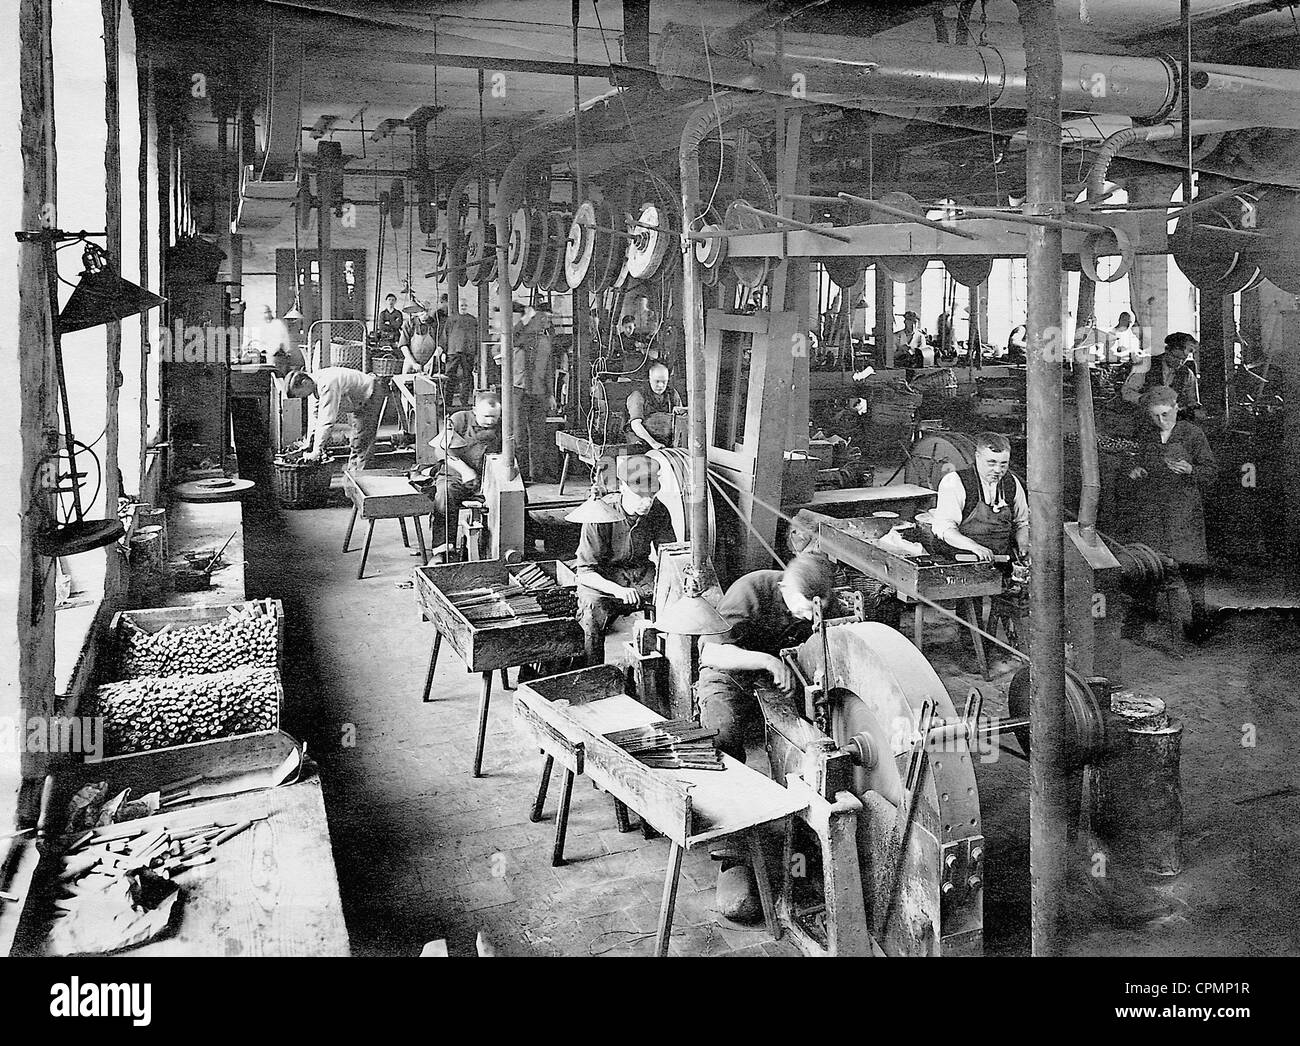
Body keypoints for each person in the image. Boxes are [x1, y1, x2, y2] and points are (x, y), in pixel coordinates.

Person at [695, 552, 838, 921]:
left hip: (776, 679)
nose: (808, 617)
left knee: (807, 741)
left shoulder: (814, 603)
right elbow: (711, 652)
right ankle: (731, 853)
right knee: (722, 739)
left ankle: (802, 854)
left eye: (815, 610)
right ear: (786, 586)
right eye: (805, 608)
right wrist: (767, 661)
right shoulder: (752, 590)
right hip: (728, 674)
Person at [1125, 385, 1218, 640]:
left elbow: (1211, 473)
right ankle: (1139, 620)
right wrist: (1136, 471)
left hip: (1184, 512)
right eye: (1154, 415)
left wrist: (1191, 470)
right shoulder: (1147, 434)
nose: (1161, 420)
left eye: (1165, 413)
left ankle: (1200, 623)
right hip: (1154, 509)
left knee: (1191, 568)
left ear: (1177, 407)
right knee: (1148, 564)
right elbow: (1138, 462)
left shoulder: (1193, 434)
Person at [573, 455, 675, 665]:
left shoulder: (658, 510)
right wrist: (617, 590)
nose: (647, 503)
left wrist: (672, 585)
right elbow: (584, 572)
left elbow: (668, 554)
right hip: (603, 578)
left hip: (641, 574)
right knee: (592, 609)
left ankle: (660, 670)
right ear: (622, 487)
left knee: (673, 601)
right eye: (640, 496)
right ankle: (595, 672)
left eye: (652, 495)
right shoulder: (600, 512)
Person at [929, 432, 1030, 563]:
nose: (998, 470)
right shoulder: (955, 482)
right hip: (962, 557)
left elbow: (1022, 523)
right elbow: (944, 528)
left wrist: (1023, 545)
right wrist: (974, 546)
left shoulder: (1012, 483)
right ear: (977, 457)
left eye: (1003, 464)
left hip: (1001, 558)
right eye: (991, 463)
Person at [422, 391, 503, 540]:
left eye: (494, 417)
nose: (491, 421)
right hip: (455, 477)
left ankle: (521, 543)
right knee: (444, 494)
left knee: (513, 496)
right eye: (486, 416)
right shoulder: (459, 419)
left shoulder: (504, 426)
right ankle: (442, 549)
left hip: (486, 480)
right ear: (475, 410)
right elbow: (440, 450)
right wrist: (464, 470)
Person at [285, 366, 383, 472]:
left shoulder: (327, 383)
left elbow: (326, 420)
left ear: (304, 383)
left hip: (370, 393)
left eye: (299, 394)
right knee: (356, 440)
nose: (302, 397)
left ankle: (362, 476)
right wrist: (309, 443)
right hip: (356, 398)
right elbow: (315, 417)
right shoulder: (314, 383)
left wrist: (317, 451)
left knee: (361, 442)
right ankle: (354, 471)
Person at [512, 302, 553, 482]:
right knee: (520, 437)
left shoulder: (546, 341)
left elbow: (549, 369)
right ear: (535, 318)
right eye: (543, 318)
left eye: (549, 319)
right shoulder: (521, 338)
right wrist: (524, 319)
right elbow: (510, 338)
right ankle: (521, 476)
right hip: (518, 393)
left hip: (539, 393)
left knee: (538, 436)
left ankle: (538, 474)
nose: (546, 322)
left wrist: (551, 394)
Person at [1123, 332, 1202, 413]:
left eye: (1183, 359)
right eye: (1176, 357)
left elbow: (1192, 401)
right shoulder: (1147, 365)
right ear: (1167, 350)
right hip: (1144, 415)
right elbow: (1127, 392)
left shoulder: (1187, 374)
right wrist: (1141, 398)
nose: (1179, 362)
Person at [624, 362, 686, 452]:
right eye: (657, 381)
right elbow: (635, 424)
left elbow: (681, 420)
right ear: (650, 378)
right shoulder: (638, 395)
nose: (660, 386)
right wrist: (653, 443)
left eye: (664, 382)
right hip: (642, 441)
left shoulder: (672, 393)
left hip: (665, 441)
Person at [442, 298, 478, 411]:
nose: (463, 307)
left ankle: (464, 402)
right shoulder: (451, 319)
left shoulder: (472, 320)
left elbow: (476, 337)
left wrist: (476, 354)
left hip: (468, 352)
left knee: (467, 377)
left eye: (465, 305)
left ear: (468, 306)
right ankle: (446, 402)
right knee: (449, 377)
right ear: (458, 306)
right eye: (461, 305)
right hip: (453, 352)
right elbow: (444, 336)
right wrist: (443, 351)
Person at [398, 303, 441, 375]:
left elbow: (440, 347)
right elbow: (403, 346)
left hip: (430, 364)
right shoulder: (409, 323)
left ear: (430, 311)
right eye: (421, 312)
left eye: (427, 311)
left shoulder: (435, 325)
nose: (424, 315)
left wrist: (430, 363)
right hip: (411, 362)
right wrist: (413, 363)